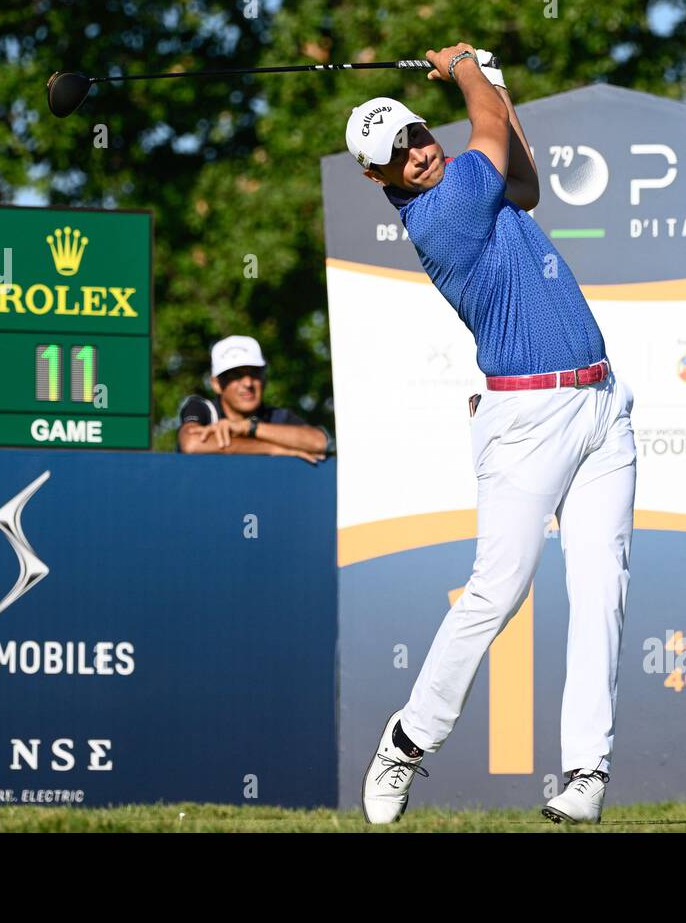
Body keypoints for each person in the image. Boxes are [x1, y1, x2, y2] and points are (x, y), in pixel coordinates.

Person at [350, 44, 637, 824]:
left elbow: (530, 185)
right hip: (526, 421)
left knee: (601, 584)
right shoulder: (441, 213)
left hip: (602, 404)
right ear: (377, 180)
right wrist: (464, 67)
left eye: (415, 135)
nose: (417, 153)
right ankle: (405, 743)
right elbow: (484, 127)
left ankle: (585, 771)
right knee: (495, 591)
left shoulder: (478, 190)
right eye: (396, 156)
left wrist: (497, 85)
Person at [176, 335, 330, 463]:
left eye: (255, 373)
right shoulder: (202, 409)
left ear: (265, 379)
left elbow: (319, 442)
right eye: (235, 375)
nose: (248, 383)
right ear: (216, 384)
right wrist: (274, 449)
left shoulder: (276, 416)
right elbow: (191, 443)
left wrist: (249, 428)